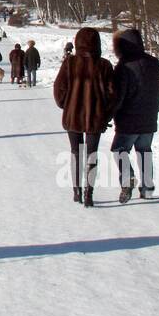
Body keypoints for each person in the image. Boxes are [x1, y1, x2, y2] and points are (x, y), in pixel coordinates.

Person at [53, 29, 115, 208]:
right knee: (92, 155)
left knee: (75, 152)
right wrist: (105, 114)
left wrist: (68, 105)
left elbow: (59, 90)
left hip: (73, 117)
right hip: (95, 118)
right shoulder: (104, 65)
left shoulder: (70, 63)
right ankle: (89, 192)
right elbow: (112, 95)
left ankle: (76, 190)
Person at [109, 28, 159, 201]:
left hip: (128, 119)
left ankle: (128, 178)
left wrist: (109, 115)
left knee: (119, 149)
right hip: (149, 118)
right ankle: (147, 188)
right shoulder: (155, 63)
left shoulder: (123, 66)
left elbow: (119, 95)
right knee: (145, 151)